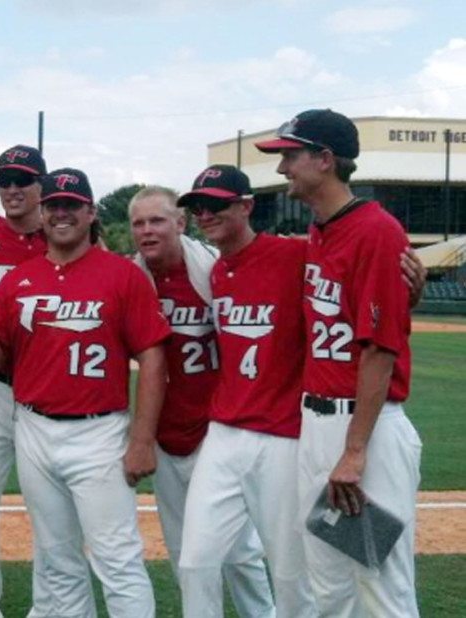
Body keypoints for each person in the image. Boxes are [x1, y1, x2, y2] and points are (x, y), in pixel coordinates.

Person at [0, 168, 168, 618]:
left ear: (90, 212)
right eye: (53, 206)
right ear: (41, 213)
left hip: (99, 432)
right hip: (33, 428)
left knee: (118, 560)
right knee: (58, 562)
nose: (61, 214)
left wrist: (141, 440)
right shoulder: (19, 279)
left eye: (71, 206)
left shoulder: (122, 275)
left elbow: (153, 359)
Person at [256, 109, 422, 616]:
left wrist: (353, 452)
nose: (282, 168)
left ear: (324, 160)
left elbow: (378, 350)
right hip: (318, 422)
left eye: (290, 155)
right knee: (326, 583)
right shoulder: (320, 231)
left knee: (381, 585)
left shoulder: (375, 231)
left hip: (364, 430)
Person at [174, 164, 319, 618]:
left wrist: (405, 289)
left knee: (290, 569)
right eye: (198, 206)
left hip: (283, 434)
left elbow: (347, 282)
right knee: (194, 561)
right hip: (224, 431)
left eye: (216, 204)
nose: (205, 213)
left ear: (246, 206)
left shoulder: (293, 256)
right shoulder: (217, 271)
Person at [128, 186, 276, 617]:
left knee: (241, 548)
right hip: (166, 430)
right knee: (183, 550)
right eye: (138, 223)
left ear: (180, 222)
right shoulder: (132, 278)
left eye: (157, 220)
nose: (146, 230)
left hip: (218, 427)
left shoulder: (215, 270)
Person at [0, 145, 90, 617]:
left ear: (43, 187)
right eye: (4, 181)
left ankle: (49, 609)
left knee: (51, 510)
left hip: (47, 389)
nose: (12, 190)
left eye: (22, 180)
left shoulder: (67, 235)